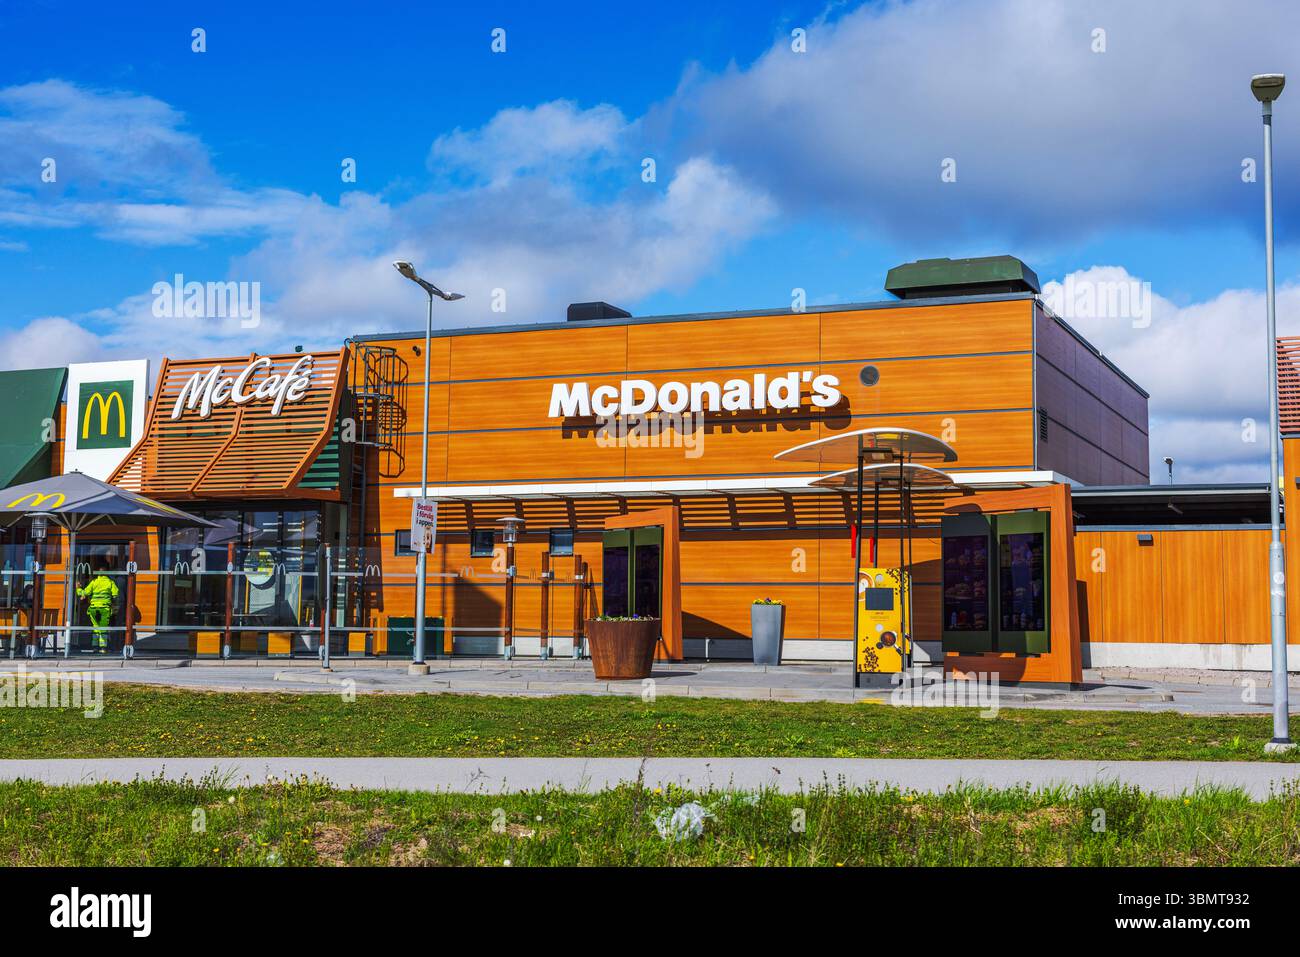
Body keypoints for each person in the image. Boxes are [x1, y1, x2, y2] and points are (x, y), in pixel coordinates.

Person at [77, 561, 119, 654]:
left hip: (93, 609)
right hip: (104, 609)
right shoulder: (110, 582)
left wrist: (78, 588)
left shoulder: (94, 582)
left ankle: (95, 647)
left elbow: (84, 593)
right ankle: (103, 648)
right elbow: (116, 594)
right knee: (103, 628)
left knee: (96, 628)